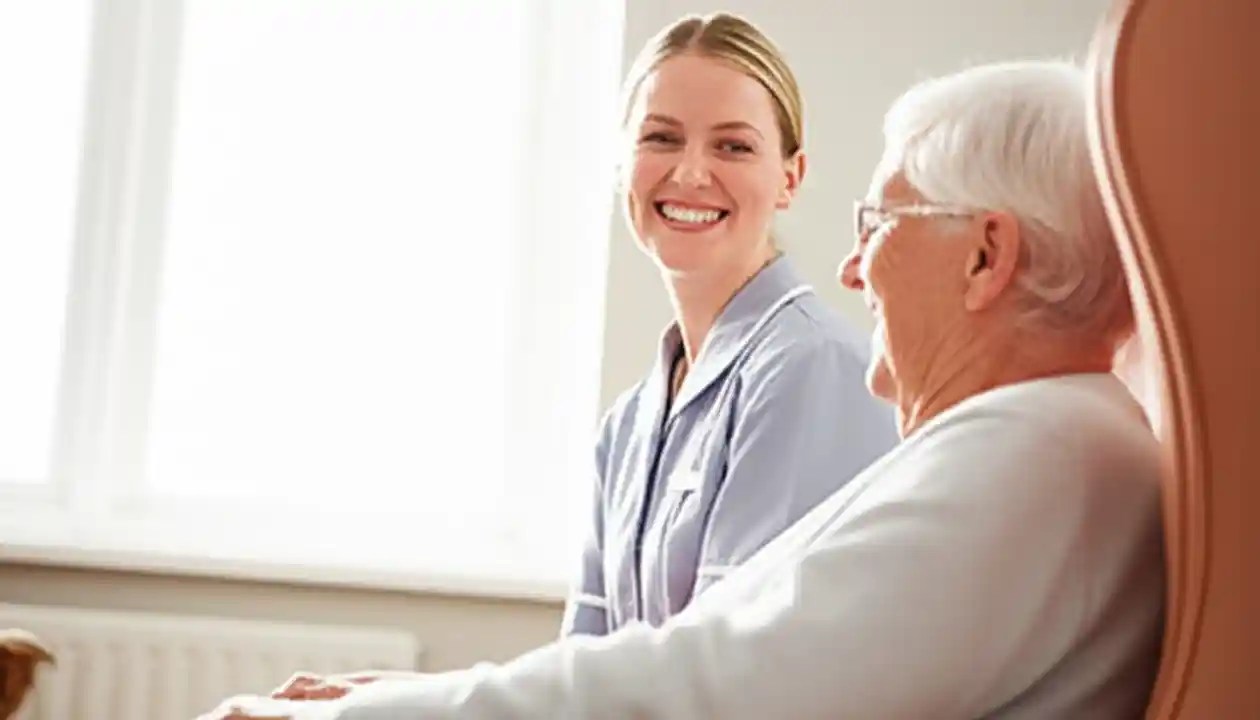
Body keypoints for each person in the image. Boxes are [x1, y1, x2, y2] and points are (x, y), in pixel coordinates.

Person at [203, 58, 1165, 720]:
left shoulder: (1046, 450)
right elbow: (700, 657)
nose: (852, 267)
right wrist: (410, 699)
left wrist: (384, 713)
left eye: (880, 223)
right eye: (658, 138)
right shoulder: (1031, 439)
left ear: (986, 255)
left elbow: (724, 687)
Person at [557, 10, 896, 638]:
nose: (689, 173)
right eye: (661, 138)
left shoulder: (812, 371)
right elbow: (578, 665)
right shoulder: (627, 425)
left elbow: (742, 663)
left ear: (790, 178)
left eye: (733, 146)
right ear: (621, 164)